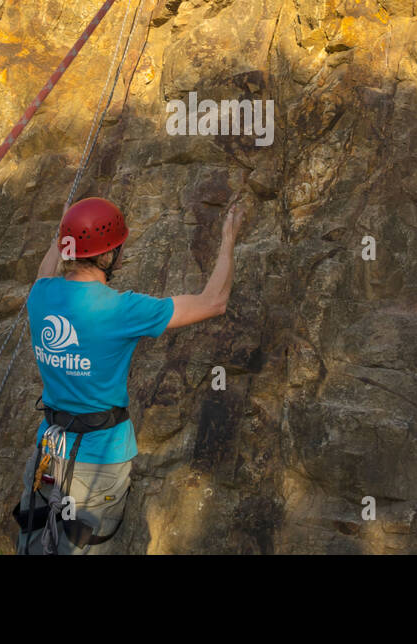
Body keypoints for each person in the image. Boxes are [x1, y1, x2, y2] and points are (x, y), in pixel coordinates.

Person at [13, 196, 247, 554]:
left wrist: (61, 233)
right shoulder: (122, 309)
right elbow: (213, 301)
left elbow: (48, 268)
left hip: (48, 447)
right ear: (109, 255)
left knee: (35, 538)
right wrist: (229, 237)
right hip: (100, 458)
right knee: (83, 545)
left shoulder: (40, 294)